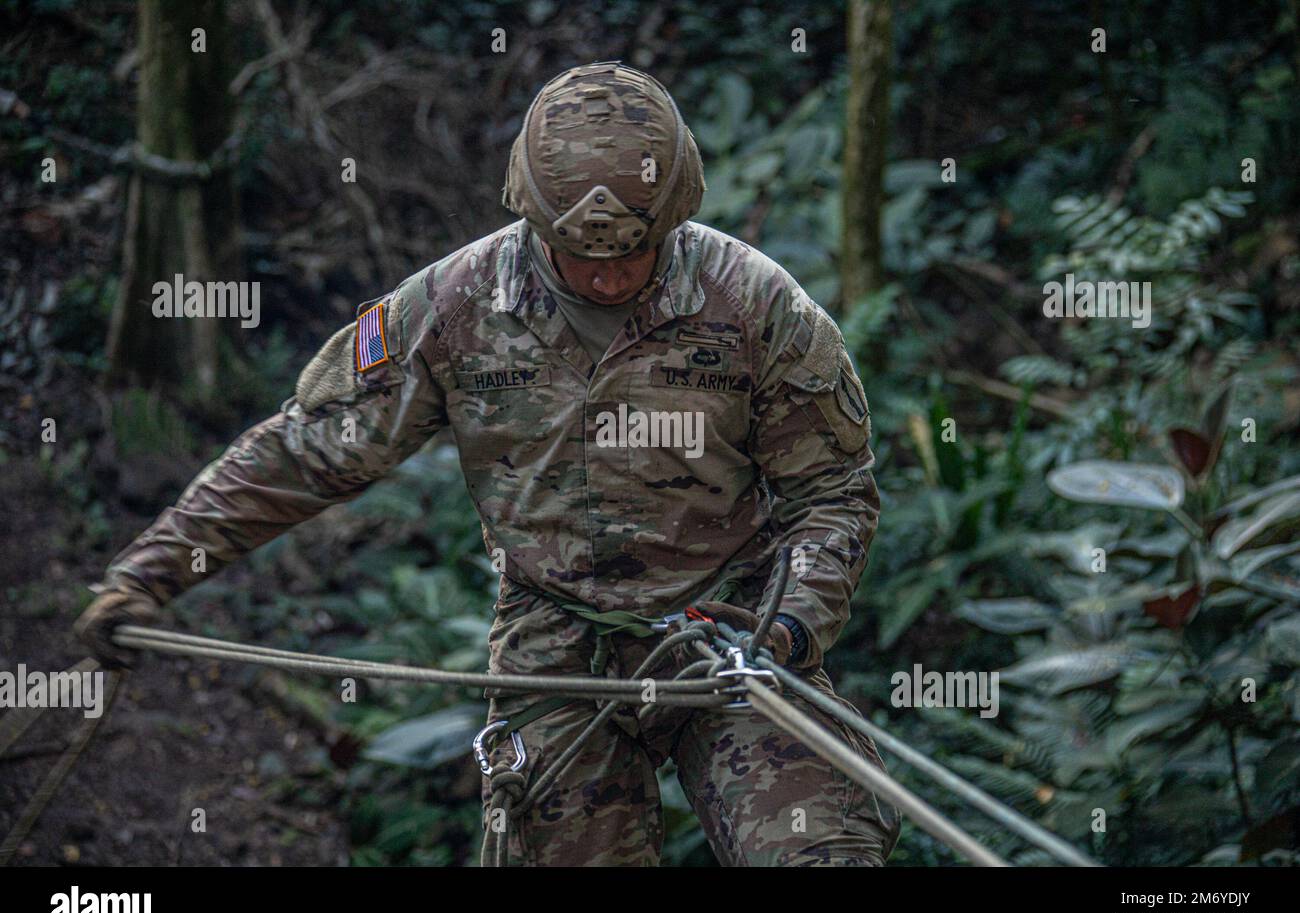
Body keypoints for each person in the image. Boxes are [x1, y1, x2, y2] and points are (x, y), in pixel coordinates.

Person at [75, 61, 901, 866]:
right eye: (583, 255)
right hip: (557, 645)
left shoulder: (756, 305)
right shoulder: (452, 306)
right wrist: (152, 571)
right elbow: (308, 451)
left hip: (733, 636)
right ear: (535, 222)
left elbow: (831, 491)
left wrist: (789, 626)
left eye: (633, 252)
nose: (609, 274)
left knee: (822, 847)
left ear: (676, 213)